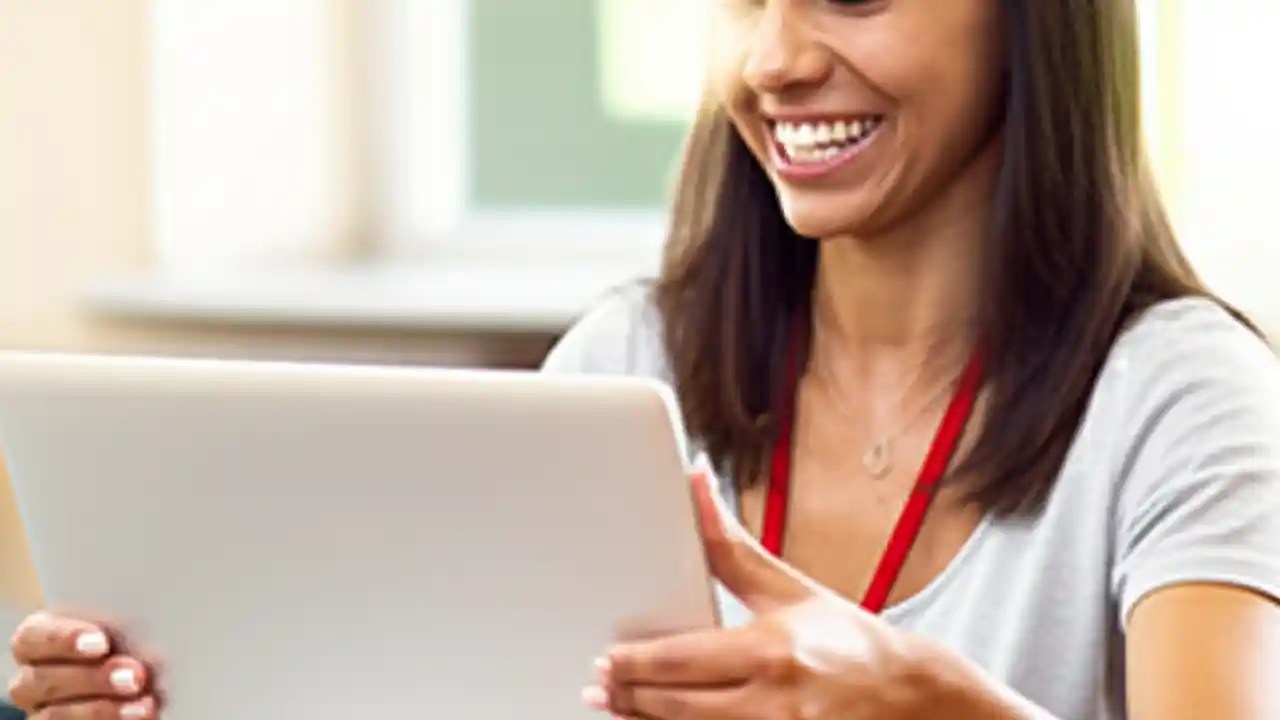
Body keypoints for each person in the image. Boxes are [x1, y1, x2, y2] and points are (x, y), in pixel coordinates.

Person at [8, 1, 1280, 718]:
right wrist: (164, 693)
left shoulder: (1179, 398)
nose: (772, 60)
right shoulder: (631, 358)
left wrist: (935, 710)